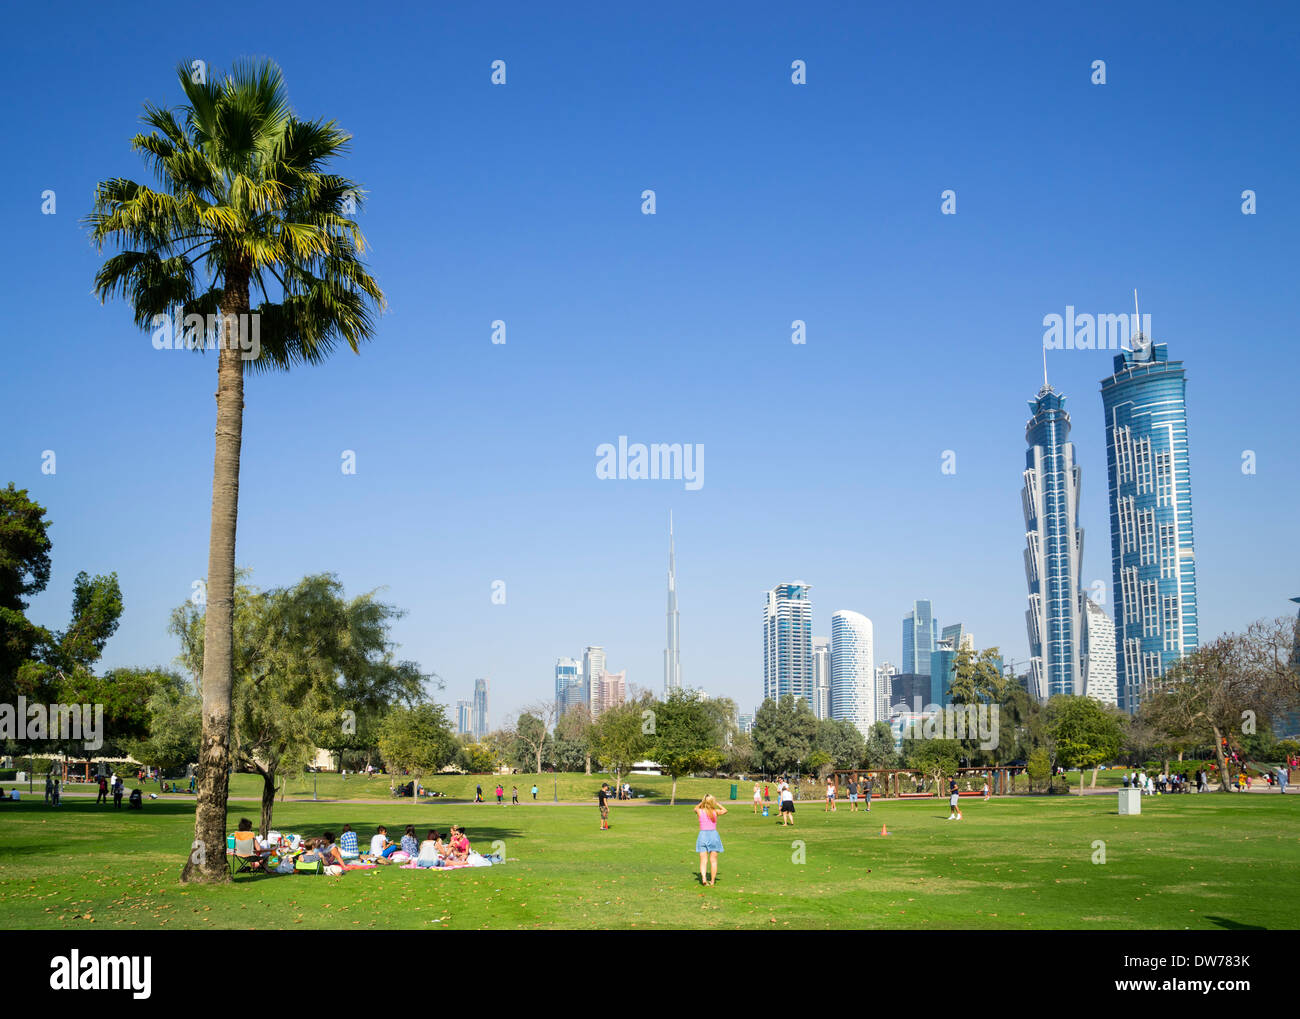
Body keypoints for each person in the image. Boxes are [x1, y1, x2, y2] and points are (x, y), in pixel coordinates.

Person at [694, 794, 727, 887]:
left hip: (703, 836)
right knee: (713, 861)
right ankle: (712, 881)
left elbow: (695, 808)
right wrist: (717, 804)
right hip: (713, 836)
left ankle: (704, 879)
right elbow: (725, 811)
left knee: (703, 860)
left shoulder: (700, 811)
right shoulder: (715, 811)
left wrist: (702, 802)